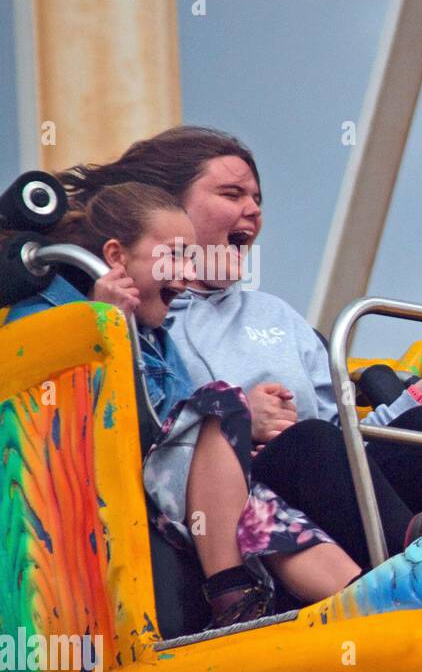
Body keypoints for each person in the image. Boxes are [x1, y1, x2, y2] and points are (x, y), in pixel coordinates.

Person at [58, 127, 422, 564]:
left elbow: (346, 440)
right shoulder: (140, 316)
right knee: (308, 442)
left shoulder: (277, 316)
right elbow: (131, 430)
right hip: (233, 513)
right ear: (171, 207)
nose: (254, 210)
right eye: (232, 194)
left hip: (326, 486)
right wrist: (237, 421)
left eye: (258, 199)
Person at [4, 183, 358, 627]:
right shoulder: (43, 322)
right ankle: (231, 588)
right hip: (89, 487)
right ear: (116, 257)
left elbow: (177, 427)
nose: (187, 272)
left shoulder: (159, 342)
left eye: (191, 258)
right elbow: (56, 436)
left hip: (168, 487)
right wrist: (102, 329)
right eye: (174, 255)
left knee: (261, 506)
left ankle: (362, 594)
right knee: (223, 403)